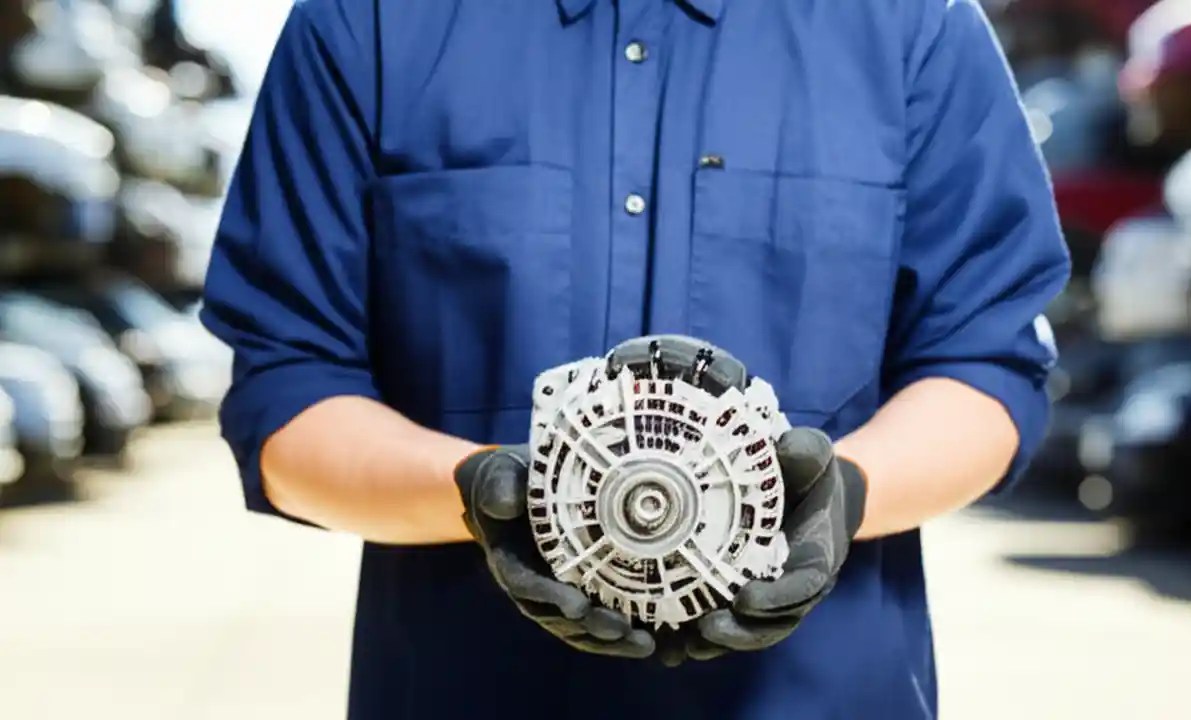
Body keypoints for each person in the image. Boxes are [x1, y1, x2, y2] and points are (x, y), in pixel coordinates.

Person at [200, 0, 1070, 718]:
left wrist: (839, 494)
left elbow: (986, 365)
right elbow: (288, 392)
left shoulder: (914, 25)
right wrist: (486, 498)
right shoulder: (369, 25)